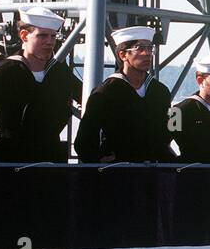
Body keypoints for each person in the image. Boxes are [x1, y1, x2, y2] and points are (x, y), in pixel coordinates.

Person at [0, 6, 81, 163]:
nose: (50, 42)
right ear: (24, 36)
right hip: (12, 160)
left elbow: (92, 102)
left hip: (52, 160)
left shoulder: (60, 73)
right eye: (42, 36)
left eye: (53, 37)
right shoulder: (5, 72)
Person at [74, 26, 175, 163]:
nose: (147, 54)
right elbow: (84, 139)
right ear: (123, 55)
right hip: (119, 171)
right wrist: (98, 160)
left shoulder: (161, 91)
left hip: (153, 171)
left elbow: (175, 124)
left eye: (150, 48)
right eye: (140, 48)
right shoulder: (105, 93)